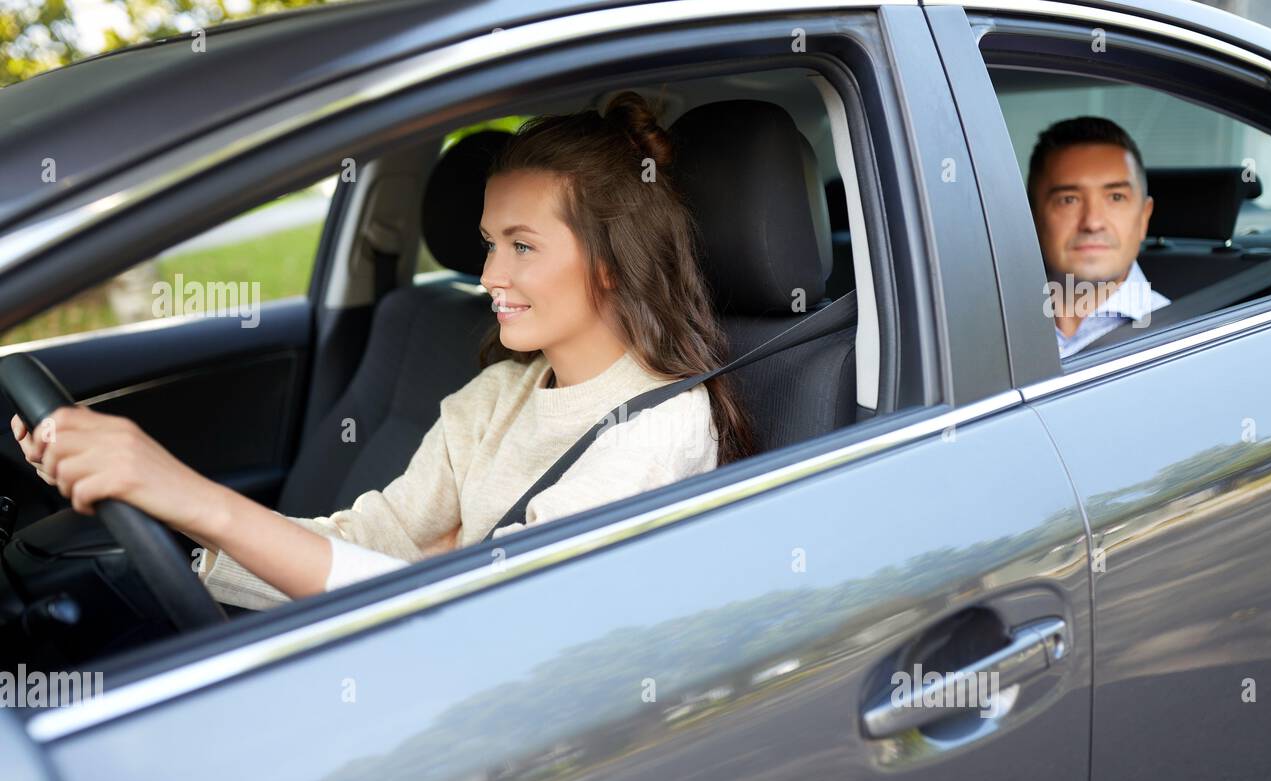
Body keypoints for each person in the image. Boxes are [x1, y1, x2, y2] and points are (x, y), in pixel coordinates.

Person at [11, 90, 755, 611]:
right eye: (491, 243)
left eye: (524, 246)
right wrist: (172, 519)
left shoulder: (659, 432)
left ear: (612, 261)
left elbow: (487, 622)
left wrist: (182, 490)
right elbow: (373, 544)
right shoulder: (498, 395)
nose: (490, 276)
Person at [1028, 116, 1171, 358]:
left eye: (1115, 197)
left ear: (1144, 218)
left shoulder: (1184, 337)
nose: (1092, 222)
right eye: (1068, 200)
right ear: (1031, 216)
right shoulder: (981, 324)